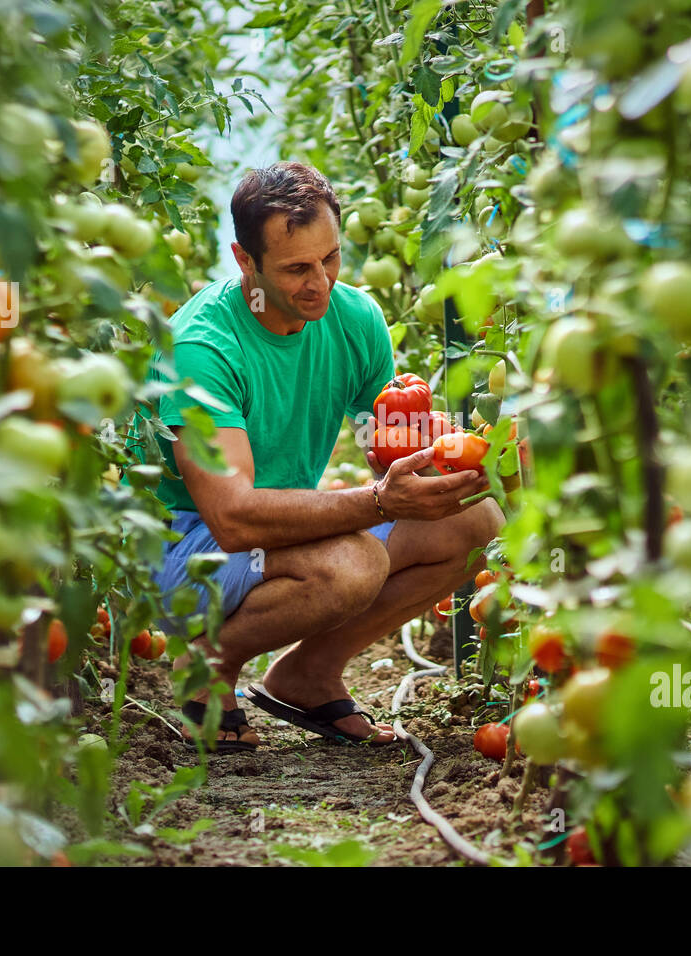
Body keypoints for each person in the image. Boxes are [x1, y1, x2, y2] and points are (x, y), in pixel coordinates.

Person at [138, 161, 504, 752]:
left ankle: (308, 674)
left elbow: (384, 457)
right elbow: (233, 518)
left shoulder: (354, 319)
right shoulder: (200, 350)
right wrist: (381, 499)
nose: (320, 283)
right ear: (244, 260)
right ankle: (209, 667)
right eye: (296, 269)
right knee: (350, 565)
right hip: (185, 546)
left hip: (275, 532)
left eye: (330, 258)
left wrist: (458, 461)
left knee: (472, 523)